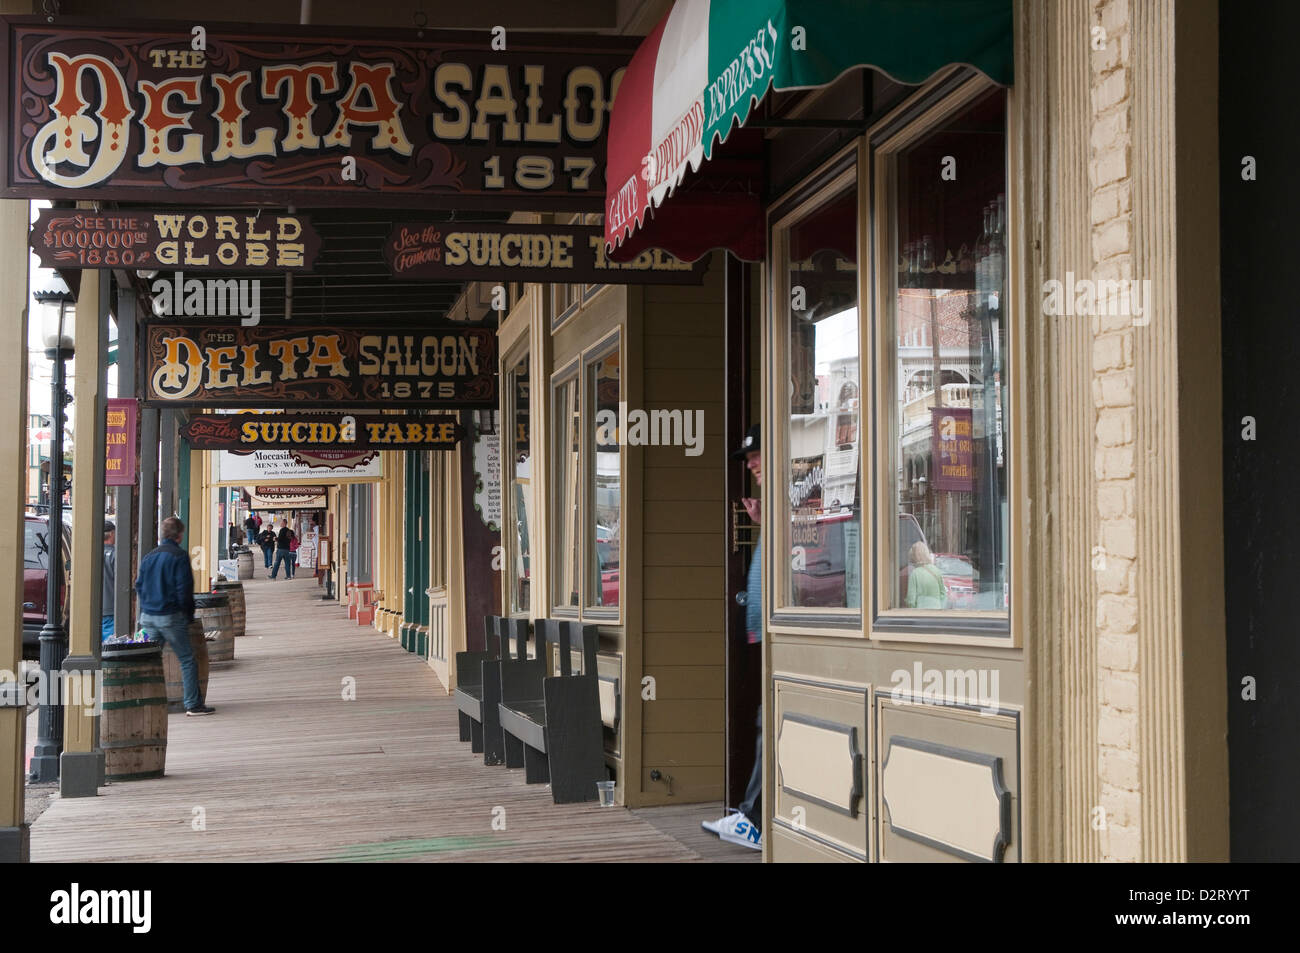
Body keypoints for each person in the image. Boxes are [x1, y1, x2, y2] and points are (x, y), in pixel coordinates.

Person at [702, 424, 764, 851]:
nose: (752, 464)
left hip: (781, 632)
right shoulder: (778, 503)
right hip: (760, 633)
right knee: (764, 721)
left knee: (769, 722)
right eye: (748, 458)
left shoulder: (797, 498)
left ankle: (755, 820)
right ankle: (754, 816)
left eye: (757, 454)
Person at [135, 517, 214, 716]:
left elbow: (139, 586)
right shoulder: (179, 556)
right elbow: (184, 590)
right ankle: (193, 704)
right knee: (187, 659)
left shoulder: (149, 557)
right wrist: (187, 615)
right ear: (179, 535)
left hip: (149, 616)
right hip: (170, 616)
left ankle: (145, 702)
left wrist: (146, 608)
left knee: (150, 661)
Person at [905, 541, 948, 610]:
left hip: (921, 612)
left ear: (913, 557)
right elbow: (943, 594)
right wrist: (940, 608)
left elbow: (911, 600)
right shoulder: (936, 570)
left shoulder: (915, 573)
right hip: (936, 611)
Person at [101, 520, 115, 641]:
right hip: (110, 608)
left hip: (94, 608)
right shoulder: (115, 555)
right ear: (111, 534)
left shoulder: (92, 553)